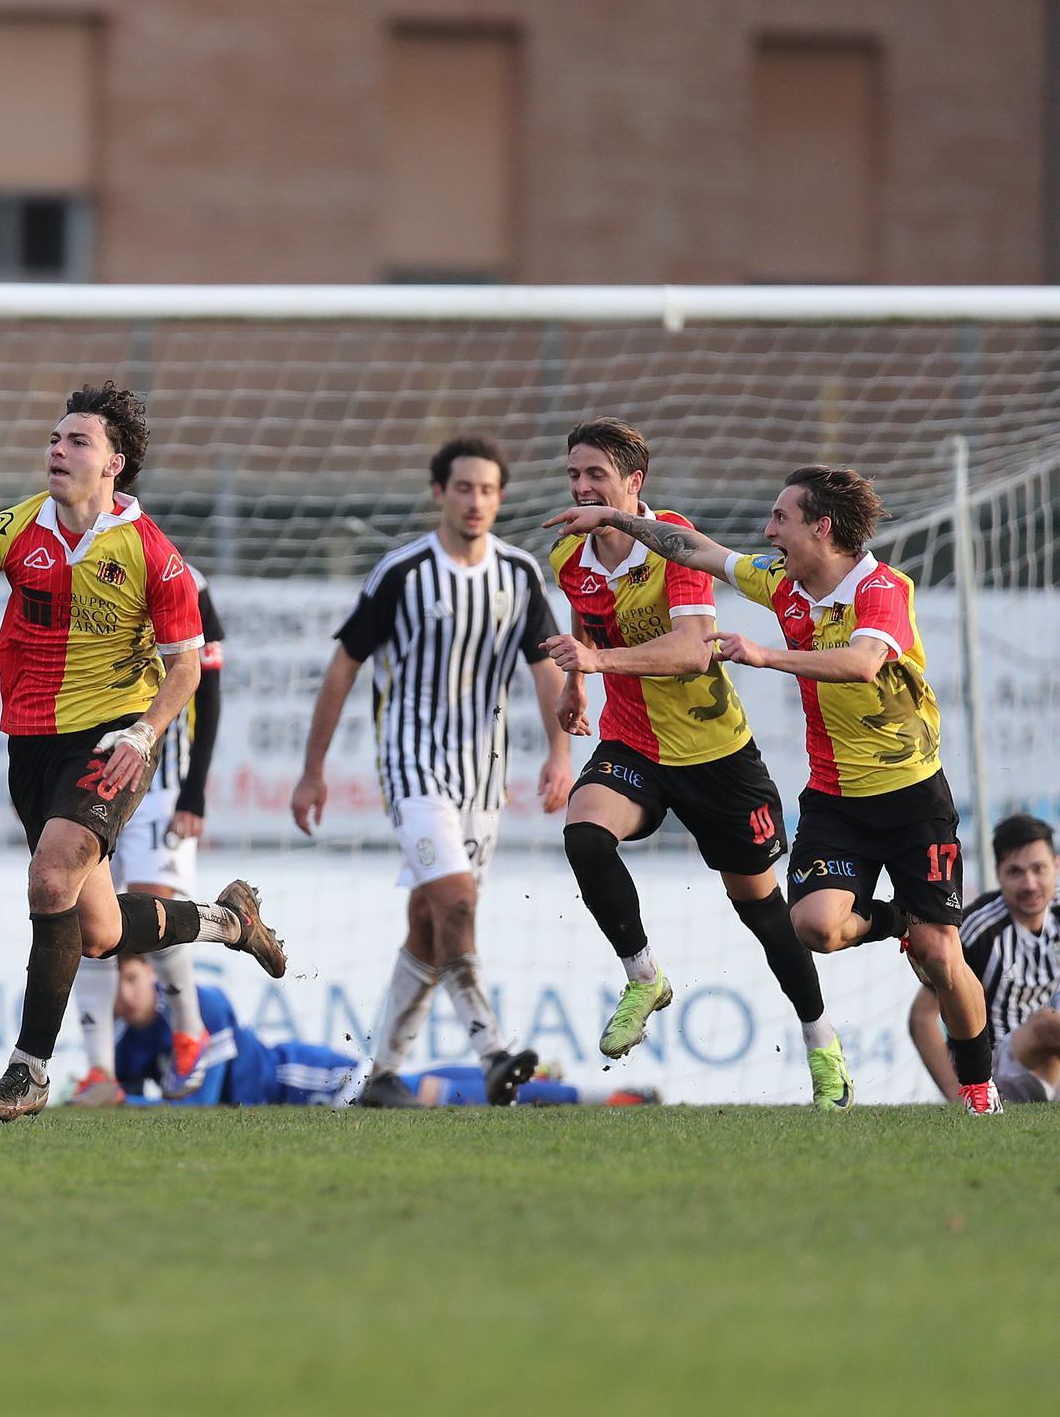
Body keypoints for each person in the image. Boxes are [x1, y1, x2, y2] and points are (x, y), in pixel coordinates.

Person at [547, 465, 1002, 1113]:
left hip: (911, 799)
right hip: (832, 797)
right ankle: (898, 917)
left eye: (780, 519)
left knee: (938, 952)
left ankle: (979, 1084)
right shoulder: (781, 581)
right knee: (812, 925)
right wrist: (617, 518)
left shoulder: (881, 588)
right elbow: (697, 549)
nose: (768, 531)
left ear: (821, 527)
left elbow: (862, 662)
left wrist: (764, 656)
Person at [0, 382, 285, 1121]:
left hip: (111, 737)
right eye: (53, 438)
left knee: (48, 880)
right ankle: (227, 920)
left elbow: (188, 667)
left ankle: (28, 1071)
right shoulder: (8, 529)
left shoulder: (152, 552)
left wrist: (143, 732)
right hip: (29, 744)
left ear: (115, 463)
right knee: (96, 931)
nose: (56, 451)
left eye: (76, 441)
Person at [537, 419, 847, 1108]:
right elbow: (584, 622)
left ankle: (821, 1042)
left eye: (595, 476)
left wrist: (597, 661)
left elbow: (691, 650)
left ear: (631, 484)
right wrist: (575, 683)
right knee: (584, 834)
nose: (582, 488)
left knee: (764, 911)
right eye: (573, 475)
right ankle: (642, 974)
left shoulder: (672, 540)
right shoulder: (567, 554)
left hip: (714, 755)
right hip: (632, 743)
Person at [290, 435, 574, 1109]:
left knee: (428, 919)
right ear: (438, 493)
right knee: (457, 904)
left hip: (483, 777)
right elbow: (342, 667)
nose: (475, 500)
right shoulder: (402, 572)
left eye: (487, 489)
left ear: (499, 498)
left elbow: (546, 672)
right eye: (462, 487)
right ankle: (491, 1050)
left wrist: (559, 754)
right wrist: (311, 770)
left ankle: (380, 1072)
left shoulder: (518, 575)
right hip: (411, 766)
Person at [69, 568, 227, 1104]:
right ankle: (100, 1073)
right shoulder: (75, 570)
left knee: (154, 905)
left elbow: (211, 691)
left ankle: (188, 1027)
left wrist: (195, 791)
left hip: (162, 778)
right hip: (95, 775)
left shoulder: (187, 582)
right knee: (89, 920)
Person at [103, 955, 650, 1108]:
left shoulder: (203, 1006)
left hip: (295, 1080)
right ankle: (532, 1077)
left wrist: (122, 1107)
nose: (124, 993)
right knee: (422, 1086)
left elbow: (202, 1105)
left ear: (153, 974)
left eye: (132, 977)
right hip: (280, 1098)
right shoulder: (132, 1043)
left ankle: (604, 1095)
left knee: (428, 1097)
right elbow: (122, 1089)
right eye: (116, 984)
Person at [911, 814, 1060, 1103]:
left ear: (1056, 866)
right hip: (993, 1068)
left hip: (1048, 1066)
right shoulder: (978, 929)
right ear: (998, 873)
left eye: (1038, 869)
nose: (1029, 884)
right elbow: (922, 1016)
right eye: (1016, 872)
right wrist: (958, 1095)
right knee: (1047, 1025)